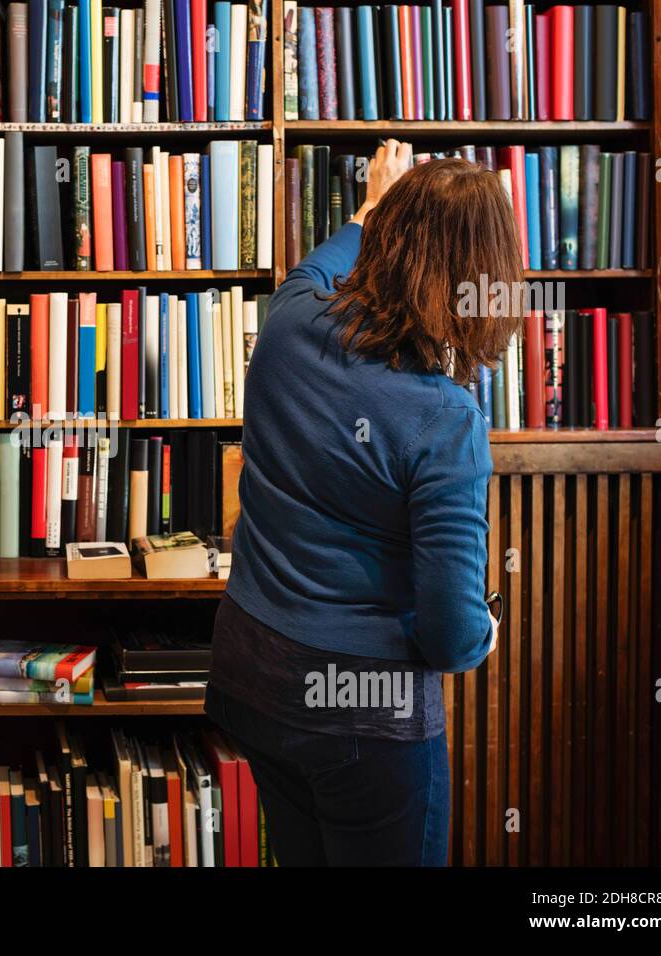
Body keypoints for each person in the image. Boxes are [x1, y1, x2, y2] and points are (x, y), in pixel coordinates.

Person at [206, 142, 517, 866]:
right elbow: (449, 636)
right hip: (361, 720)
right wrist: (484, 636)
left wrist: (375, 205)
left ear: (383, 242)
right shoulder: (445, 420)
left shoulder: (290, 319)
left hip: (253, 677)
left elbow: (323, 263)